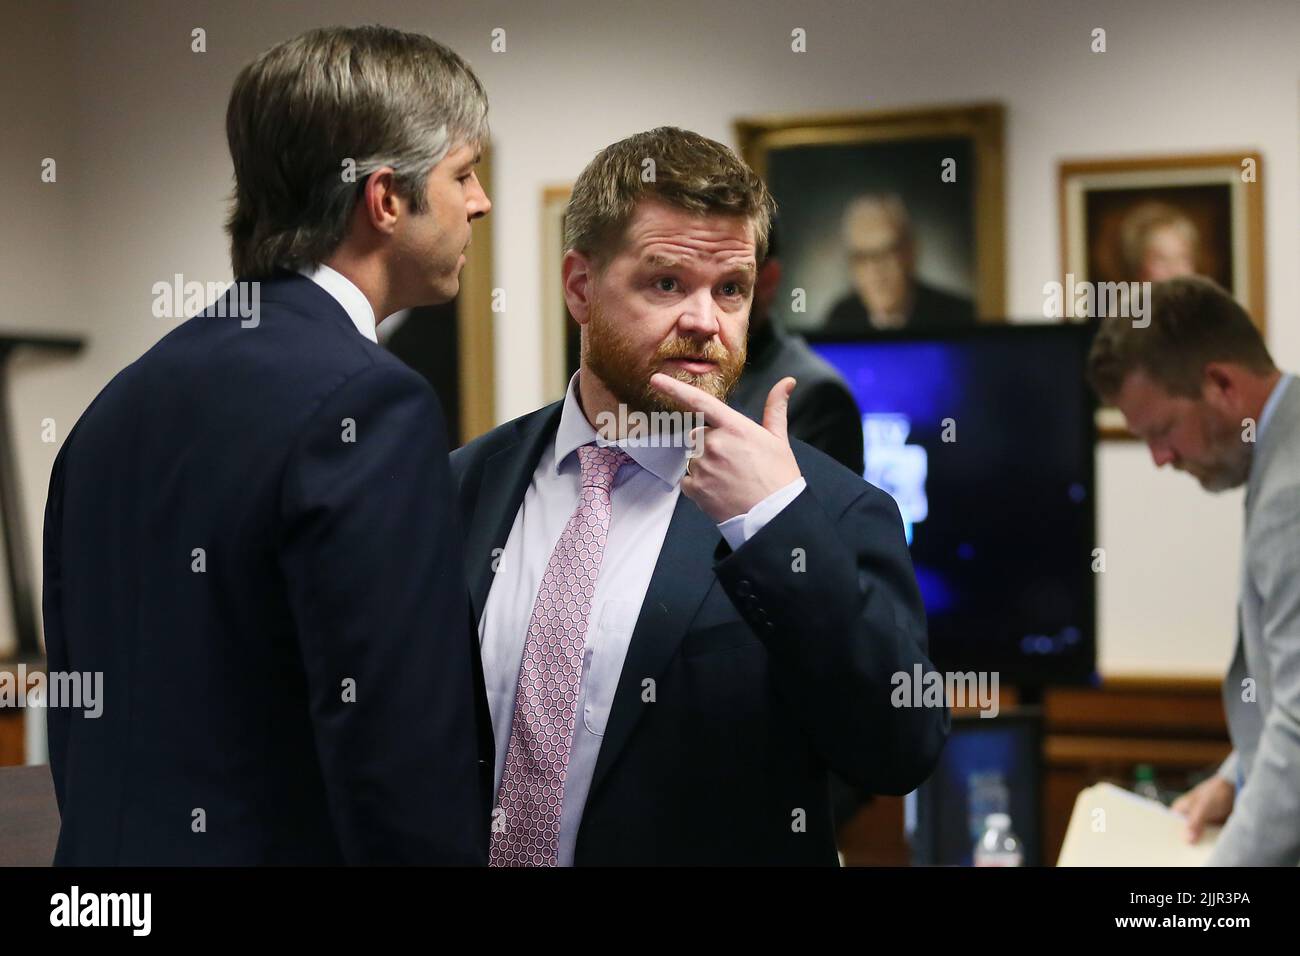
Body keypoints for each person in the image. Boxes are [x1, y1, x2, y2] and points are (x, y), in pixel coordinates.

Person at [43, 26, 493, 865]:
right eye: (463, 174)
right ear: (386, 199)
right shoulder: (371, 402)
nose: (480, 202)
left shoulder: (115, 406)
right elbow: (400, 754)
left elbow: (78, 716)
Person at [451, 127, 947, 866]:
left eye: (731, 290)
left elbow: (898, 749)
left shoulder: (829, 509)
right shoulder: (465, 485)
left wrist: (776, 527)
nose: (705, 322)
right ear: (580, 286)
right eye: (666, 283)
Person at [1087, 275, 1299, 866]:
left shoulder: (1291, 495)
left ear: (1222, 384)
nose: (1160, 459)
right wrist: (1234, 779)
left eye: (1161, 431)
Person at [728, 219, 865, 475]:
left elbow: (816, 514)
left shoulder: (819, 398)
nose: (701, 313)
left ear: (768, 280)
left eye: (729, 286)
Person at [821, 194, 975, 334]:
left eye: (887, 252)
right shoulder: (837, 321)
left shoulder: (959, 315)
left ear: (910, 253)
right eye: (863, 257)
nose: (876, 270)